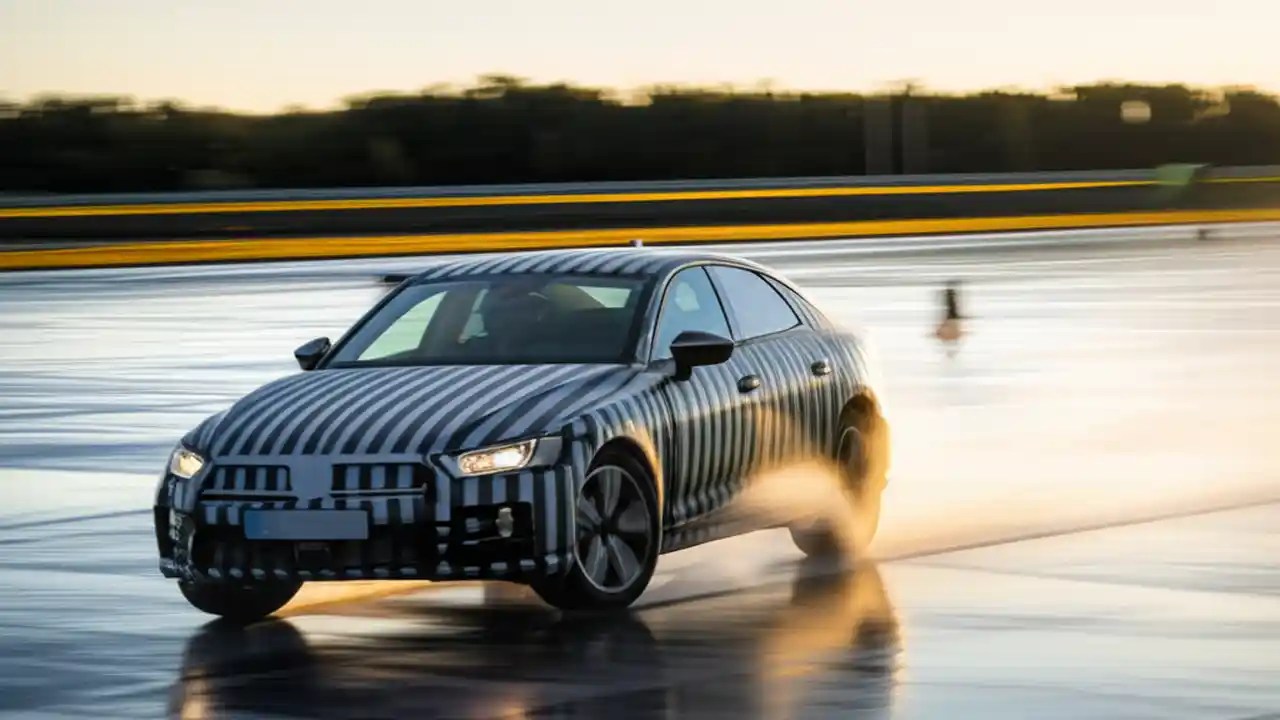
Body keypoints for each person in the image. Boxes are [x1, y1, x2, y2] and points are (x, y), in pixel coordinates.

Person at [934, 280, 965, 352]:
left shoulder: (954, 337)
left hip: (952, 320)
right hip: (951, 320)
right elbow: (939, 331)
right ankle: (950, 292)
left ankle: (950, 292)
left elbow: (960, 330)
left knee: (952, 306)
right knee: (951, 306)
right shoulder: (948, 337)